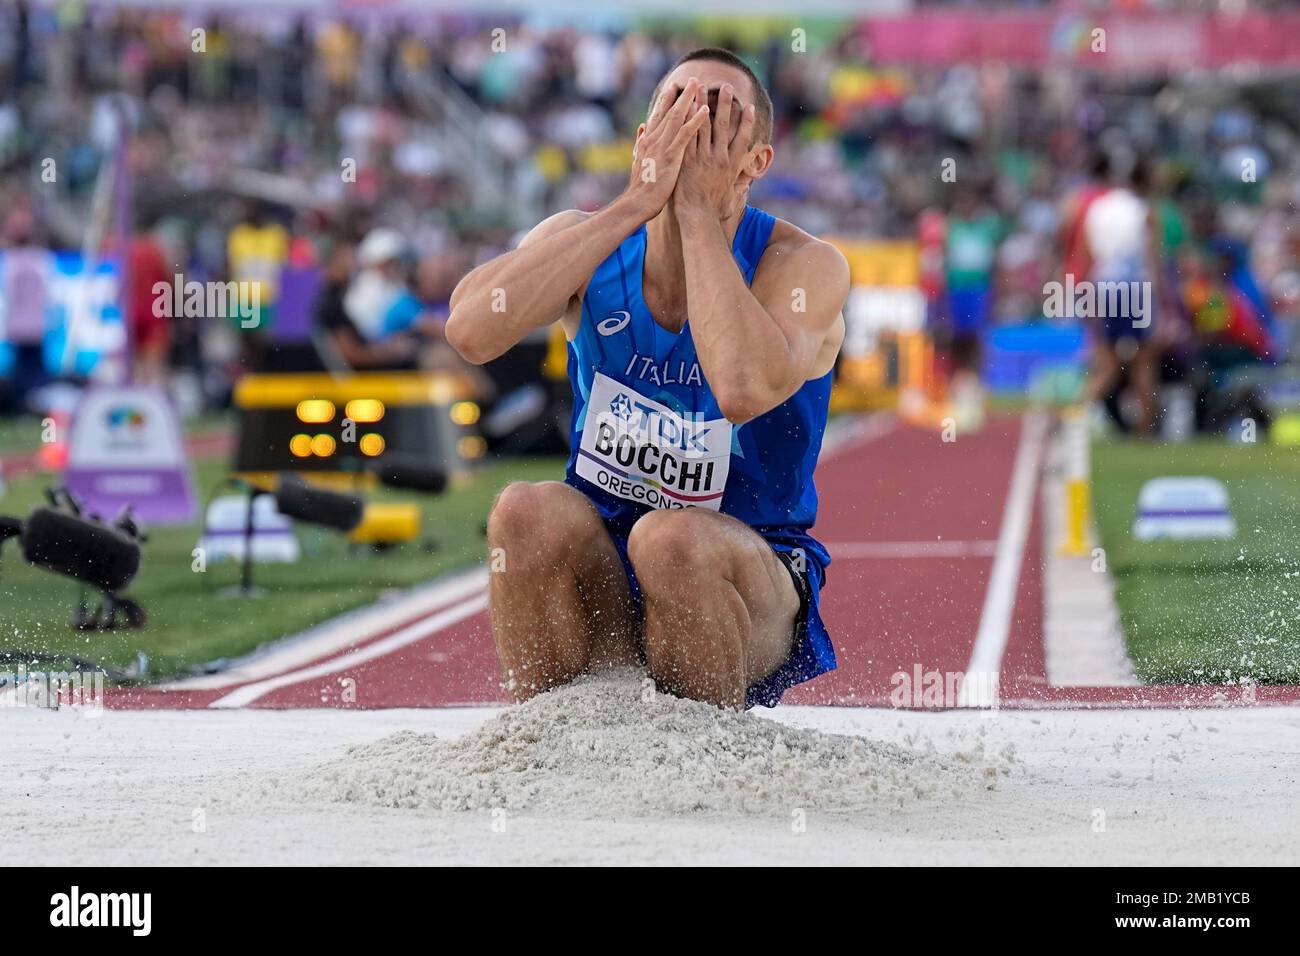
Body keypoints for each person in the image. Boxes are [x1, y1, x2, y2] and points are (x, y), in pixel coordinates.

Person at [448, 49, 848, 710]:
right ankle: (542, 737)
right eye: (678, 107)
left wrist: (694, 214)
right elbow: (469, 329)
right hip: (606, 564)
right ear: (644, 139)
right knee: (524, 510)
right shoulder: (591, 239)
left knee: (671, 538)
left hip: (746, 576)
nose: (695, 125)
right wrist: (633, 204)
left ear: (754, 162)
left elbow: (743, 389)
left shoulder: (803, 265)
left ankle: (700, 754)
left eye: (717, 117)